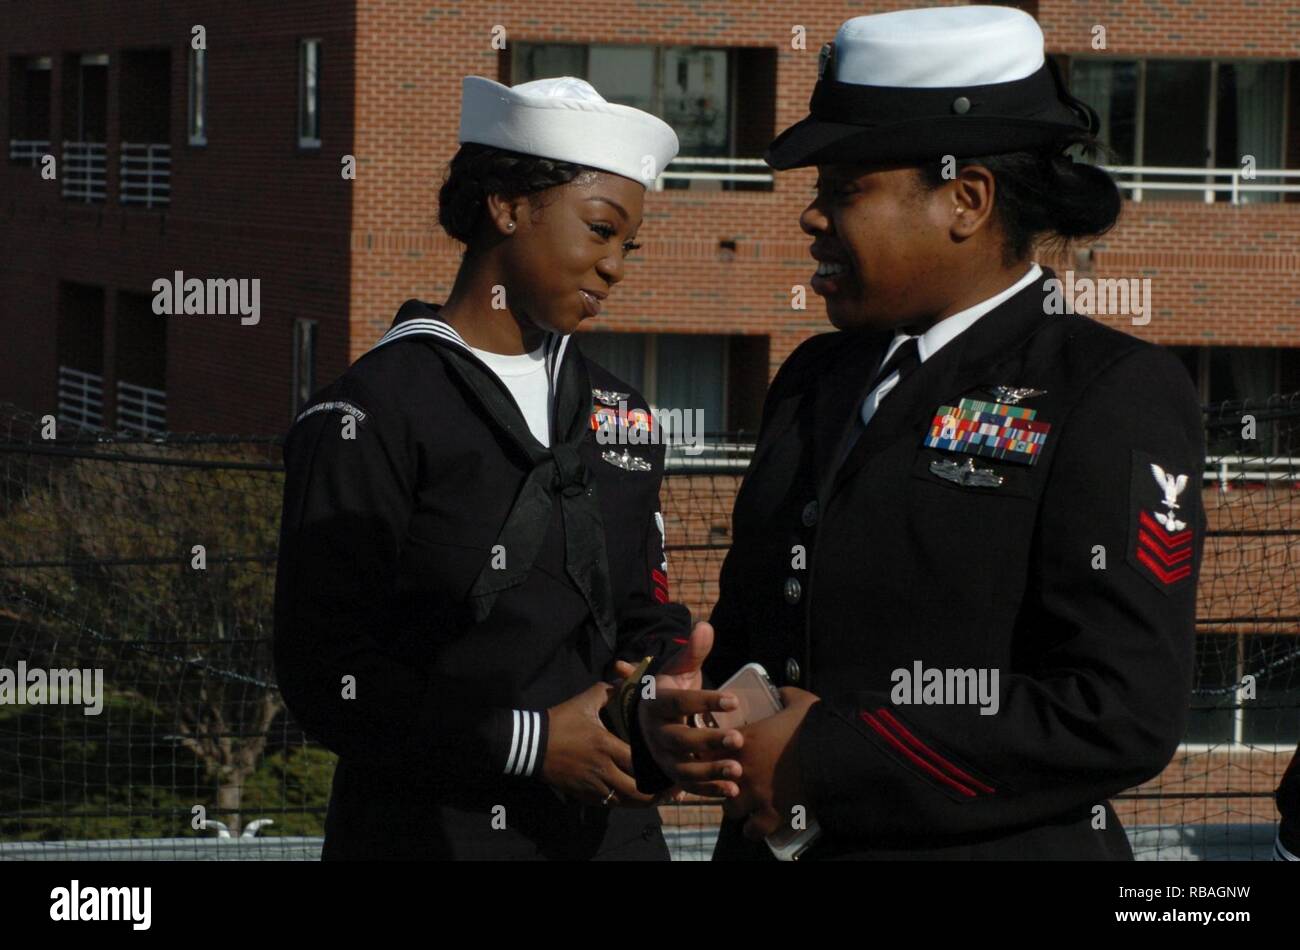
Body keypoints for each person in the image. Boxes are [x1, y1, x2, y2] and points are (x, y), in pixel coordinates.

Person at [634, 5, 1206, 860]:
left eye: (845, 189)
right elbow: (763, 641)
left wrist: (827, 758)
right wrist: (683, 714)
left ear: (966, 200)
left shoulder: (1108, 390)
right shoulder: (816, 378)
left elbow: (1117, 711)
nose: (813, 219)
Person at [273, 75, 732, 859]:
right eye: (598, 230)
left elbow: (640, 611)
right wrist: (529, 742)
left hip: (608, 836)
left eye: (629, 245)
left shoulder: (620, 410)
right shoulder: (371, 412)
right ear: (506, 207)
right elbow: (325, 671)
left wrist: (660, 688)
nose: (616, 266)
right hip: (429, 834)